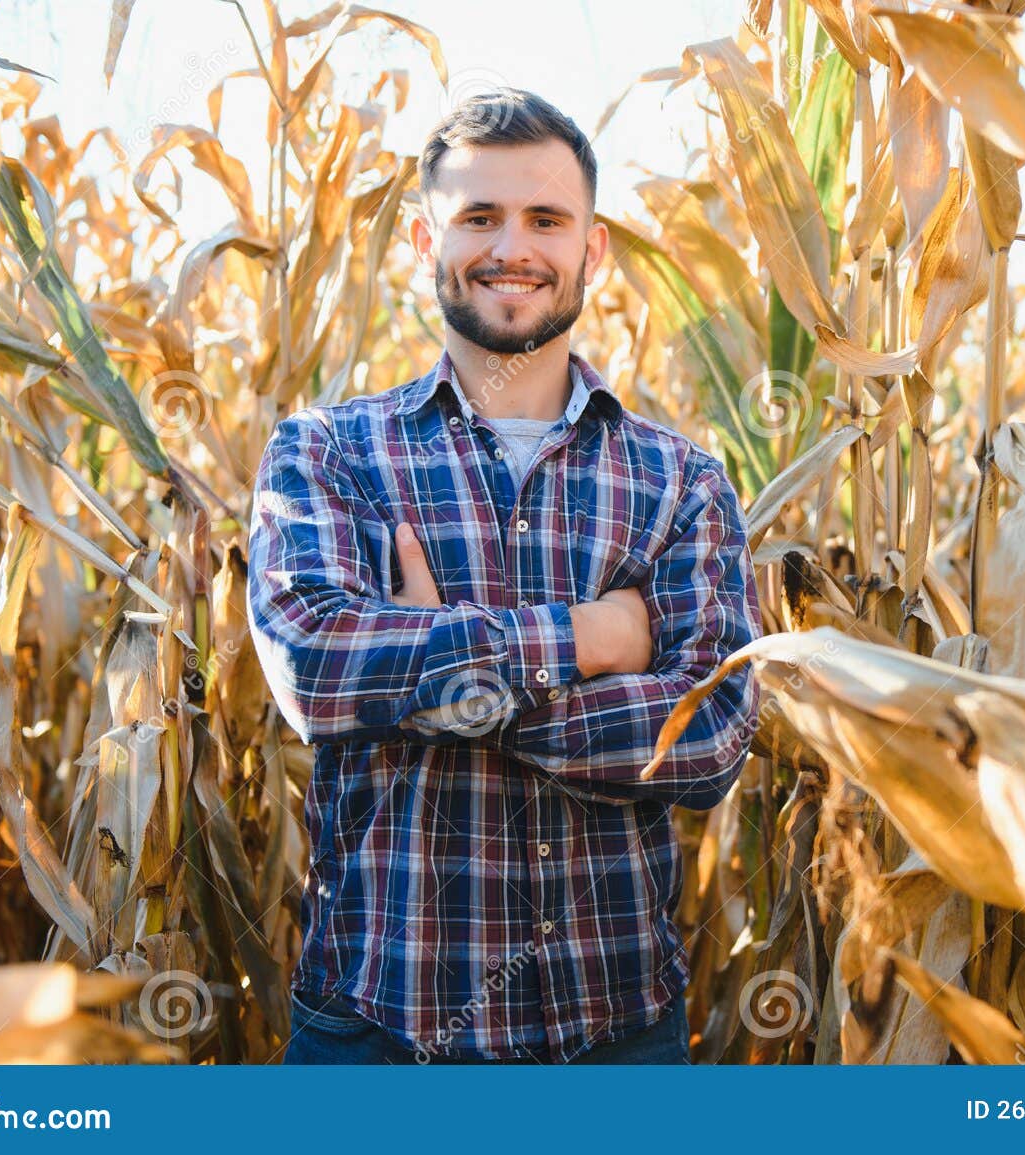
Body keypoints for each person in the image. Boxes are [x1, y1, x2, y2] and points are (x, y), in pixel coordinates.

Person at [247, 88, 761, 1064]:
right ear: (419, 238)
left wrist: (442, 682)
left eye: (545, 219)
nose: (511, 247)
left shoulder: (679, 479)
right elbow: (314, 670)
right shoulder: (328, 453)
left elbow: (709, 740)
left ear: (592, 248)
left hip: (613, 1036)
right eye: (476, 216)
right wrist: (588, 641)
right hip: (376, 1028)